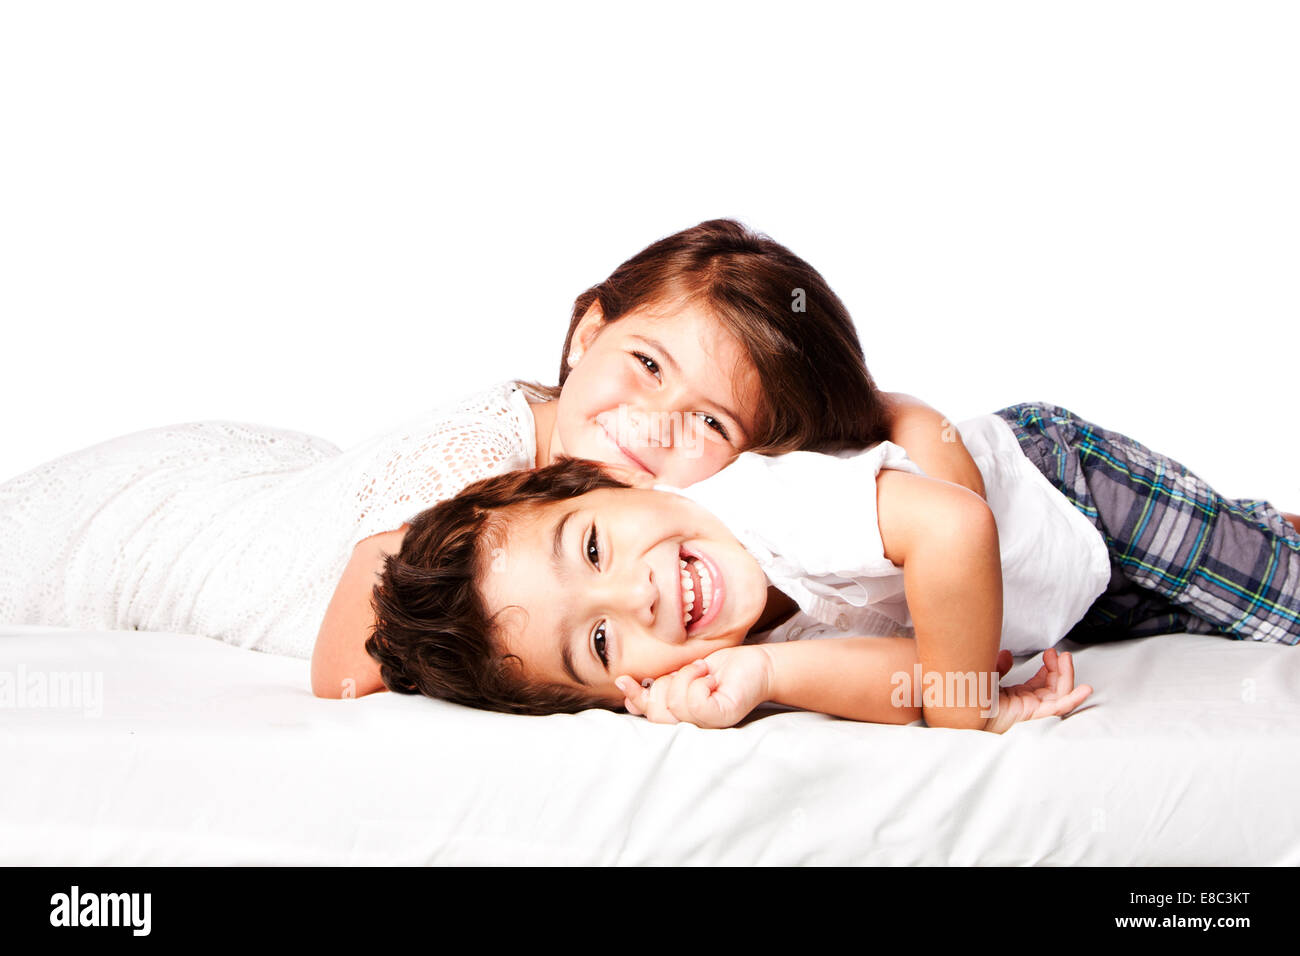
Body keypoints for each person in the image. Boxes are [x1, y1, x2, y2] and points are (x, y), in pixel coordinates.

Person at [0, 219, 985, 693]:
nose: (654, 422)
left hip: (289, 471)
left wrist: (896, 413)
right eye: (643, 364)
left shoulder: (669, 538)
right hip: (157, 521)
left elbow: (949, 541)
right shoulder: (489, 453)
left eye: (710, 422)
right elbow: (352, 649)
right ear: (584, 331)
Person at [363, 404, 1300, 732]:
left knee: (1277, 593)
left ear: (601, 481)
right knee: (1230, 583)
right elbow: (909, 680)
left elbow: (954, 526)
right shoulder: (716, 656)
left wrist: (973, 708)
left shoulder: (766, 505)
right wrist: (769, 672)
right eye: (598, 641)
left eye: (595, 548)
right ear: (614, 699)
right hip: (1053, 603)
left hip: (1067, 495)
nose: (636, 594)